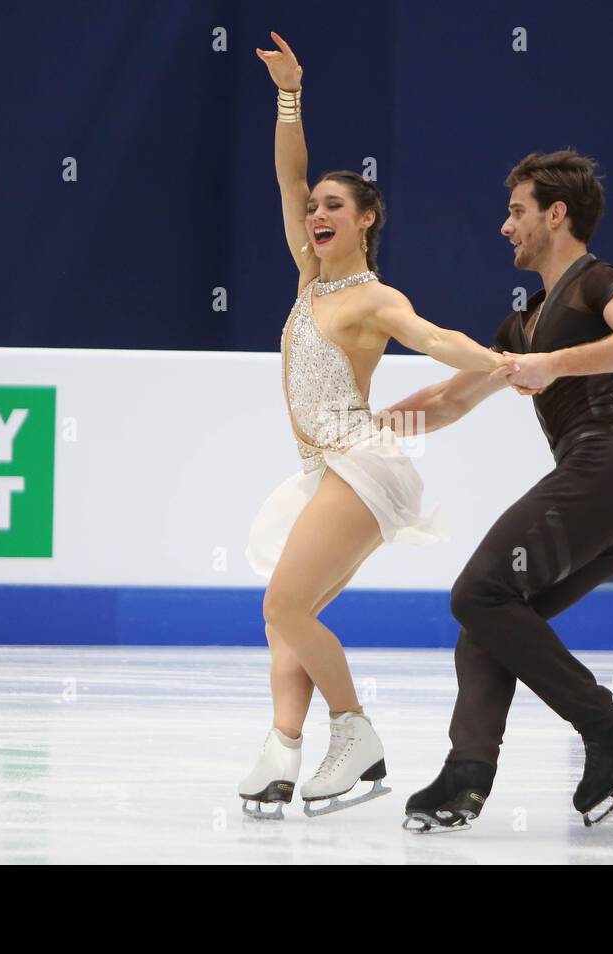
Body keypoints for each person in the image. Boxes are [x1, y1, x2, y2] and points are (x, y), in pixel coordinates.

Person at [237, 32, 517, 820]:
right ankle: (281, 752)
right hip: (326, 468)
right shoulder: (307, 275)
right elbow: (288, 171)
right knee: (289, 613)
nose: (316, 211)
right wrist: (289, 93)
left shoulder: (371, 297)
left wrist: (499, 363)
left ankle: (353, 735)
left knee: (284, 608)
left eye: (334, 207)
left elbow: (434, 339)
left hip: (364, 462)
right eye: (314, 206)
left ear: (365, 222)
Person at [377, 150, 613, 830]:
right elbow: (452, 401)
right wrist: (365, 425)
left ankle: (607, 726)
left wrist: (554, 363)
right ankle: (466, 776)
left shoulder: (599, 283)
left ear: (556, 213)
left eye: (517, 212)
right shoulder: (521, 325)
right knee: (486, 623)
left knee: (476, 592)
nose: (505, 227)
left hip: (610, 469)